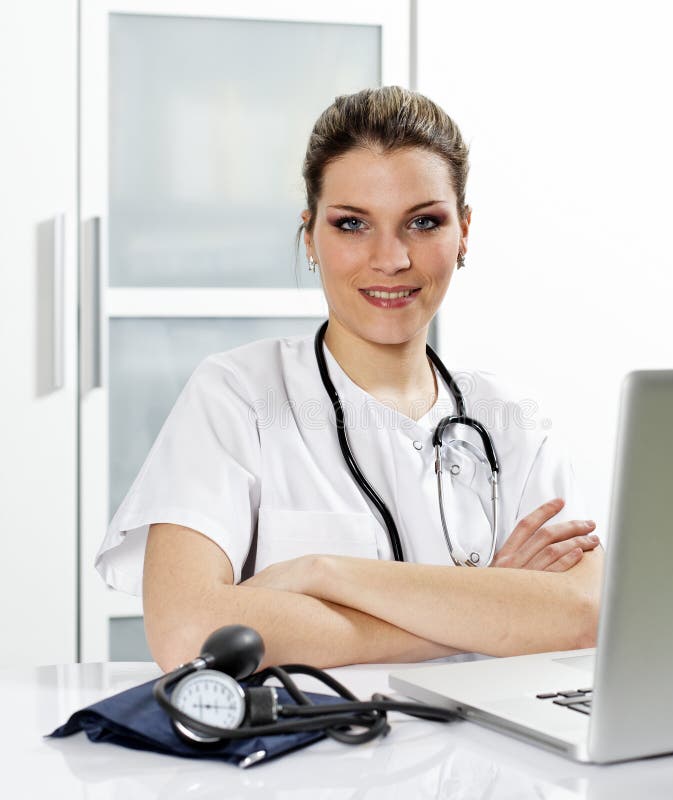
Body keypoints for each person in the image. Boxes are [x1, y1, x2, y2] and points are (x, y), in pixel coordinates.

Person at [95, 86, 604, 672]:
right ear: (310, 235)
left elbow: (582, 614)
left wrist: (324, 573)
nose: (390, 259)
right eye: (353, 224)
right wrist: (490, 610)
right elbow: (190, 634)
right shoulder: (237, 394)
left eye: (423, 222)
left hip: (490, 760)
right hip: (307, 759)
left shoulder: (513, 420)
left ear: (463, 231)